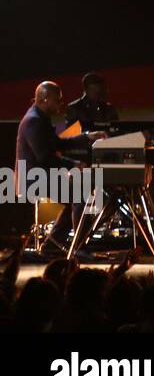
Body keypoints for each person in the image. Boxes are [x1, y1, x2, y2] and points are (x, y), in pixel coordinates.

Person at [15, 81, 107, 254]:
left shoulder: (39, 117)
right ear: (44, 98)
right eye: (57, 100)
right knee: (81, 194)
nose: (61, 103)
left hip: (40, 176)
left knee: (79, 194)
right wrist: (73, 165)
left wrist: (87, 137)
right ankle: (78, 248)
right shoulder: (34, 121)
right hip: (34, 180)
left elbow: (58, 144)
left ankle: (52, 245)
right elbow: (45, 158)